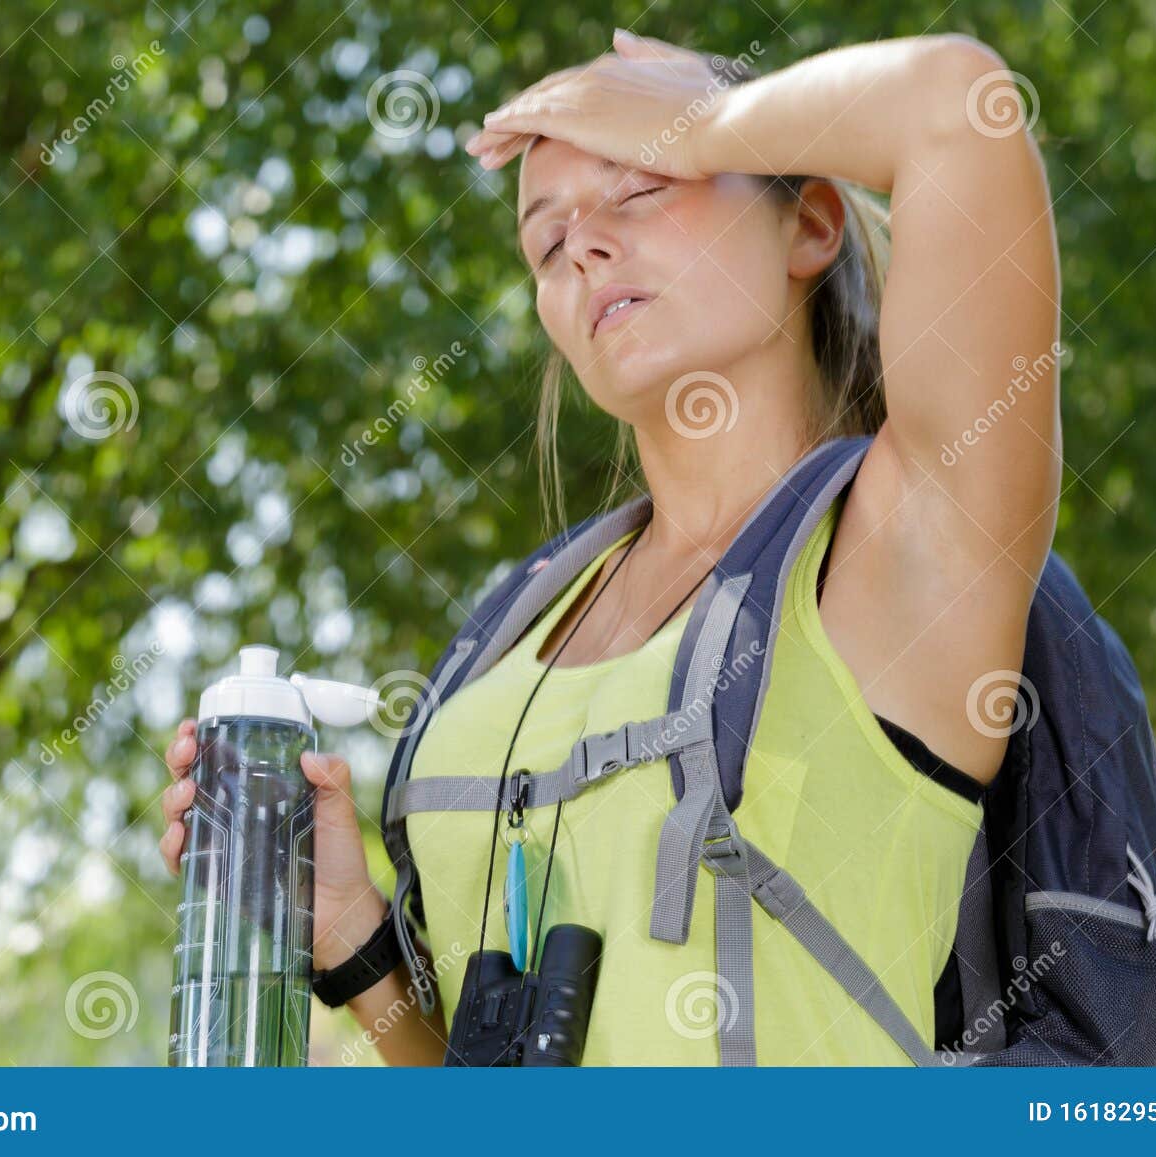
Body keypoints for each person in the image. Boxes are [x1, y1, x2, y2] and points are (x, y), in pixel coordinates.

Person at [160, 27, 1060, 1065]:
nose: (582, 244)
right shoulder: (513, 629)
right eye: (546, 241)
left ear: (807, 224)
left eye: (640, 187)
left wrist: (711, 118)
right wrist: (356, 939)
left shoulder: (900, 554)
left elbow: (957, 102)